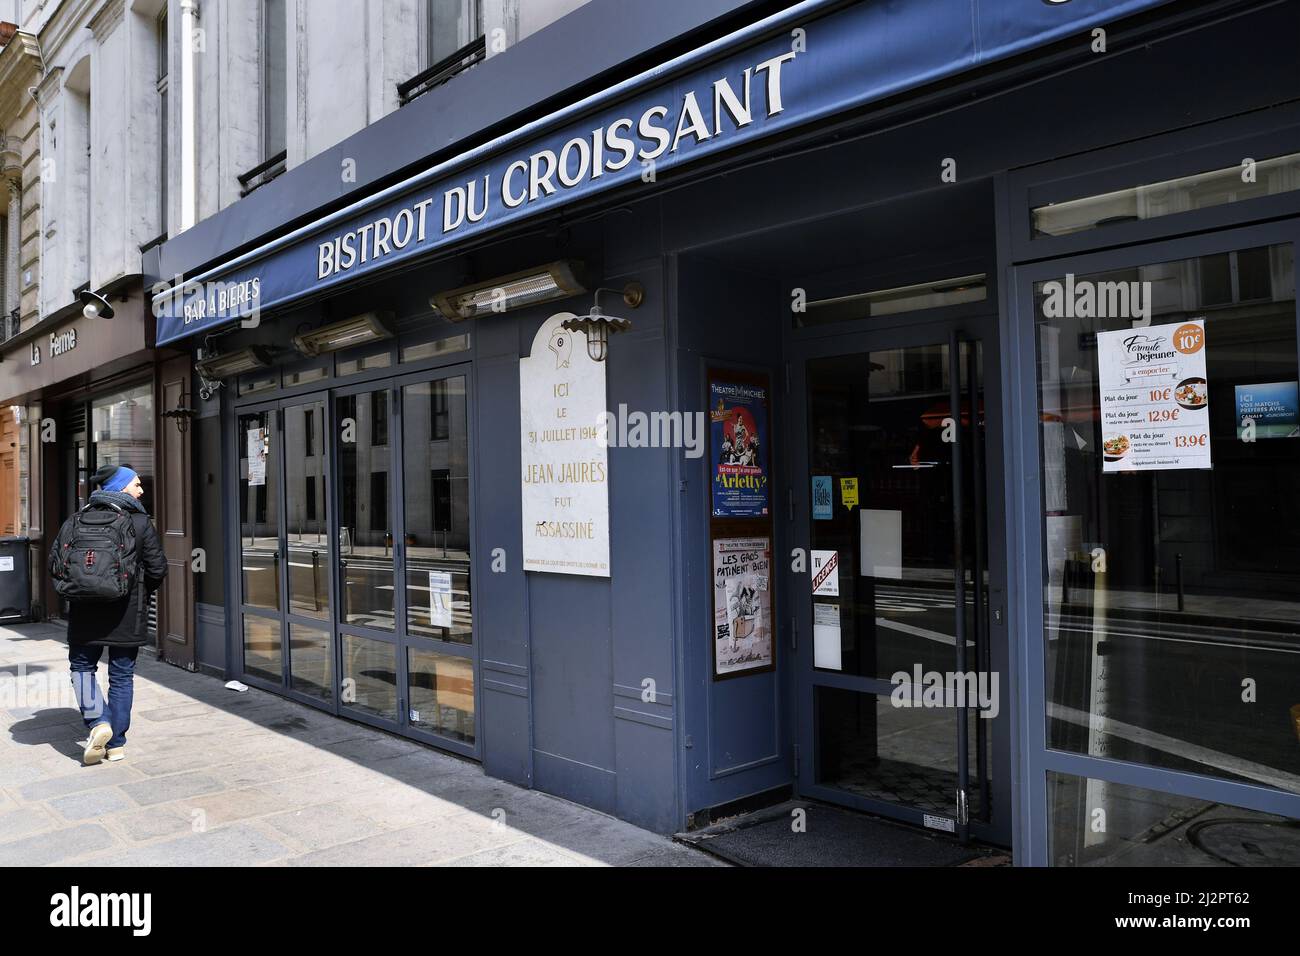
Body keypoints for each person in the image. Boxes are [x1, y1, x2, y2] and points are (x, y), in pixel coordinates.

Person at [58, 464, 167, 765]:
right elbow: (158, 568)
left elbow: (58, 565)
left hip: (84, 612)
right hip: (127, 613)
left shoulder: (76, 519)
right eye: (135, 484)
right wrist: (140, 593)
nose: (141, 490)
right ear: (119, 487)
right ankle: (116, 743)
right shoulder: (141, 522)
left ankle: (98, 722)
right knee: (121, 675)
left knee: (82, 669)